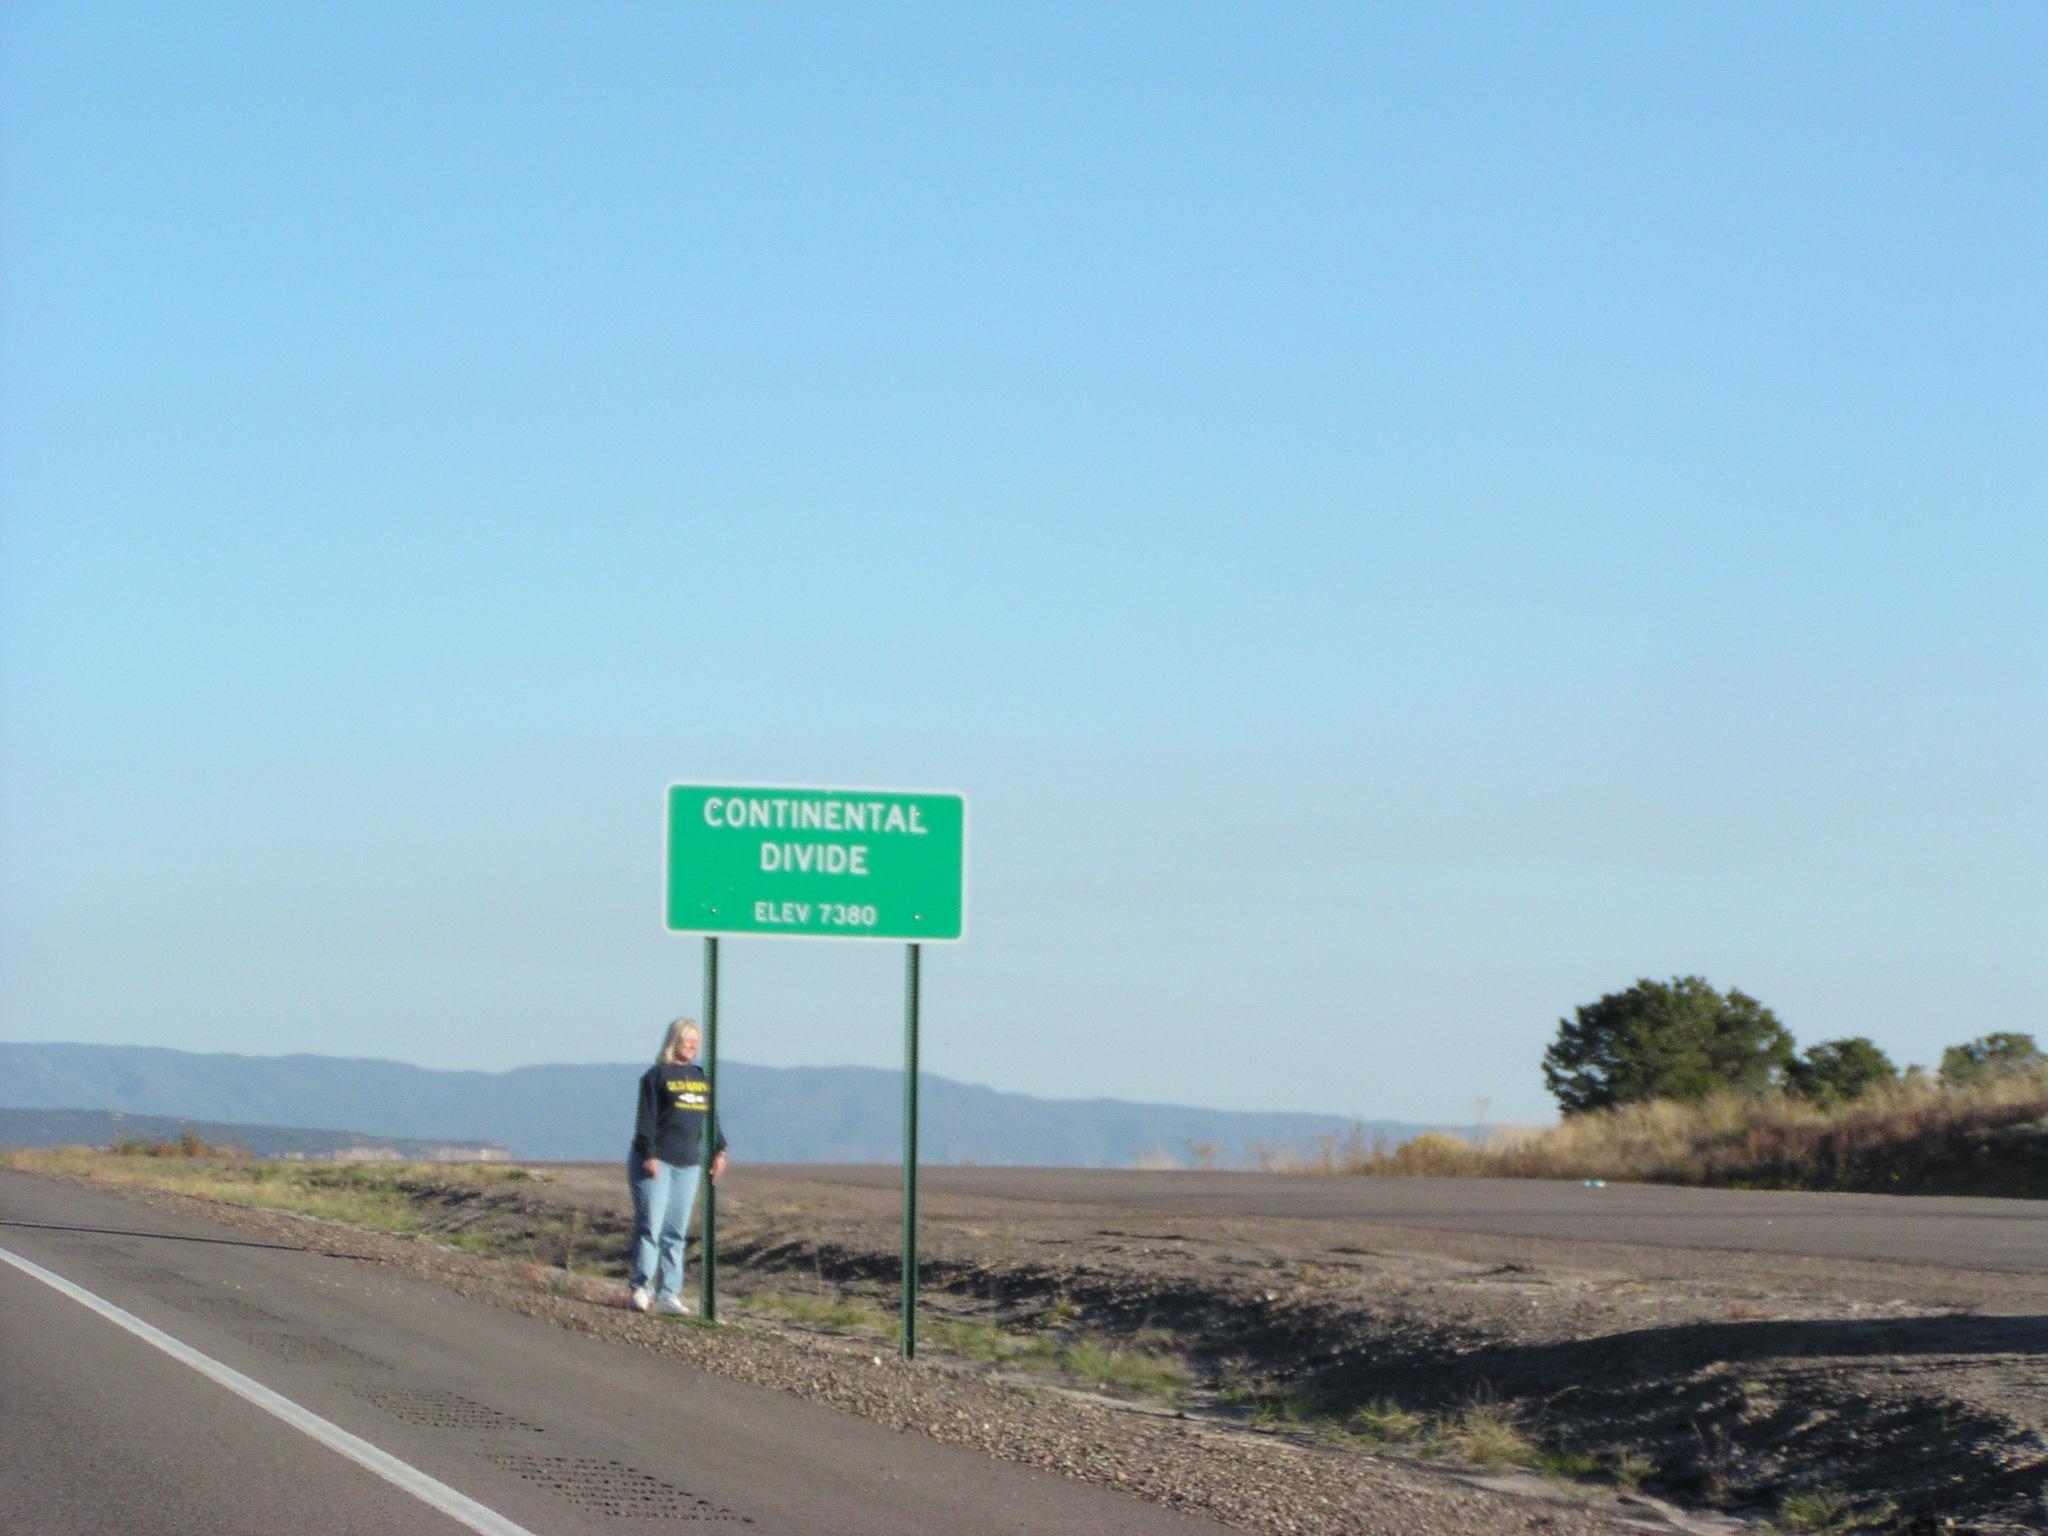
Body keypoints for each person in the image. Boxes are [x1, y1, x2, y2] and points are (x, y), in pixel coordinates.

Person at [627, 1017, 728, 1314]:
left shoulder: (700, 1077)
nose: (693, 1048)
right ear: (675, 1042)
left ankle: (669, 1294)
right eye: (688, 1041)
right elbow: (645, 1120)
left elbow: (710, 1120)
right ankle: (641, 1287)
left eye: (697, 1043)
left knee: (676, 1232)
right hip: (656, 1161)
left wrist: (719, 1149)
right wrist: (648, 1154)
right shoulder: (656, 1076)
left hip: (688, 1164)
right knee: (651, 1227)